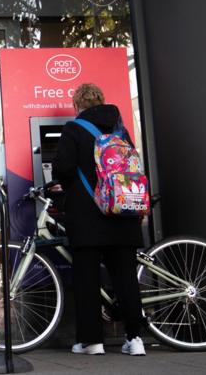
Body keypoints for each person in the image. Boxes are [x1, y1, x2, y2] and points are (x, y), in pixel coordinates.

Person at [51, 83, 146, 357]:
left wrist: (62, 183)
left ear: (77, 104)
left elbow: (63, 167)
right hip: (123, 212)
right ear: (101, 101)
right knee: (126, 278)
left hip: (89, 215)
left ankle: (92, 342)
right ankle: (135, 339)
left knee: (87, 279)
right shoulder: (120, 129)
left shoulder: (74, 129)